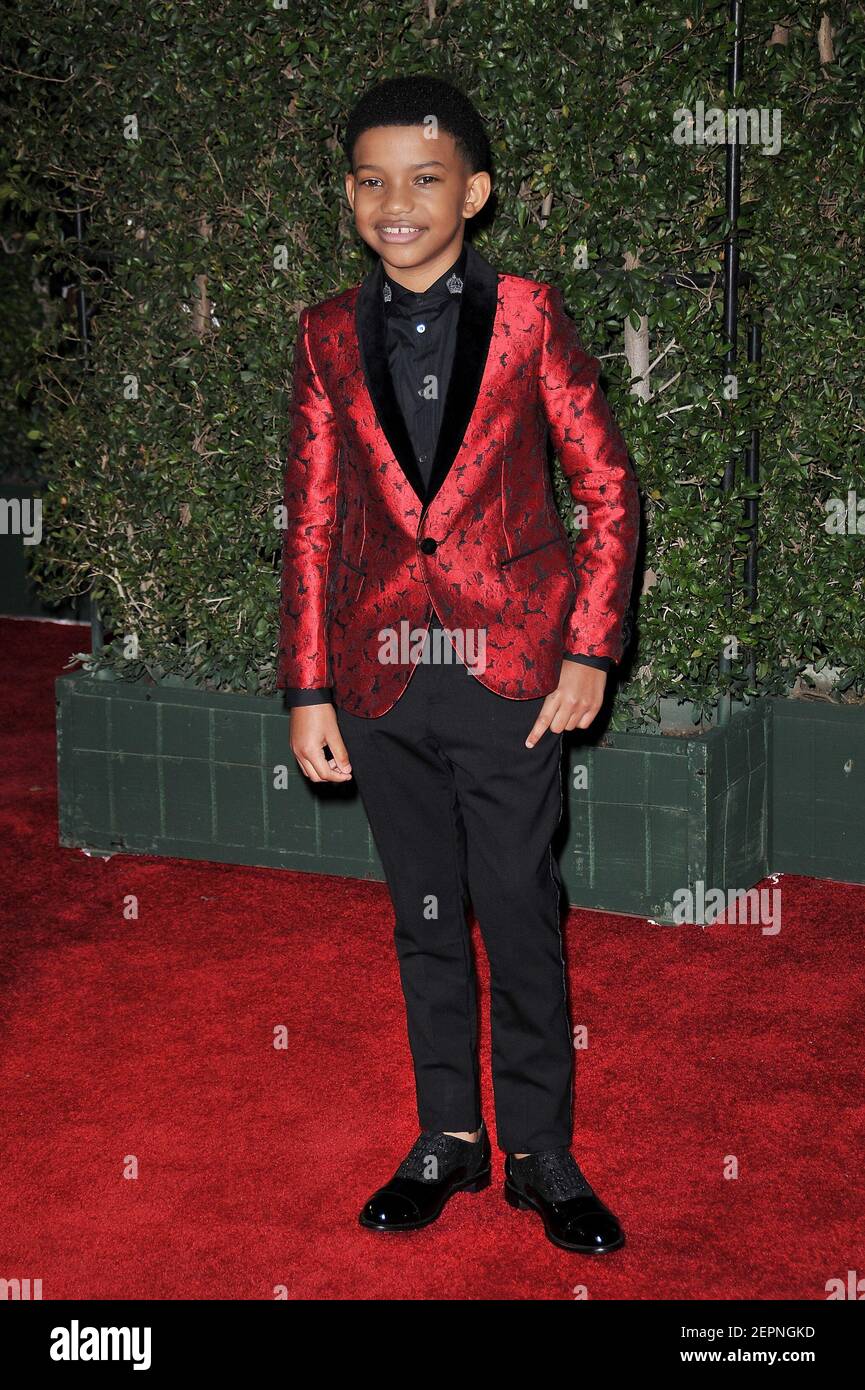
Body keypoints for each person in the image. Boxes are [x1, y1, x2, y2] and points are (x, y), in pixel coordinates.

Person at [278, 74, 639, 1254]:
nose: (396, 202)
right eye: (371, 180)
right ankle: (448, 1135)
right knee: (424, 913)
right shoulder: (324, 333)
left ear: (473, 193)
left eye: (424, 179)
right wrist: (306, 687)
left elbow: (607, 488)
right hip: (378, 672)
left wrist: (589, 650)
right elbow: (314, 522)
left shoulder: (529, 317)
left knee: (518, 909)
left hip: (512, 669)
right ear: (348, 195)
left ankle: (538, 1151)